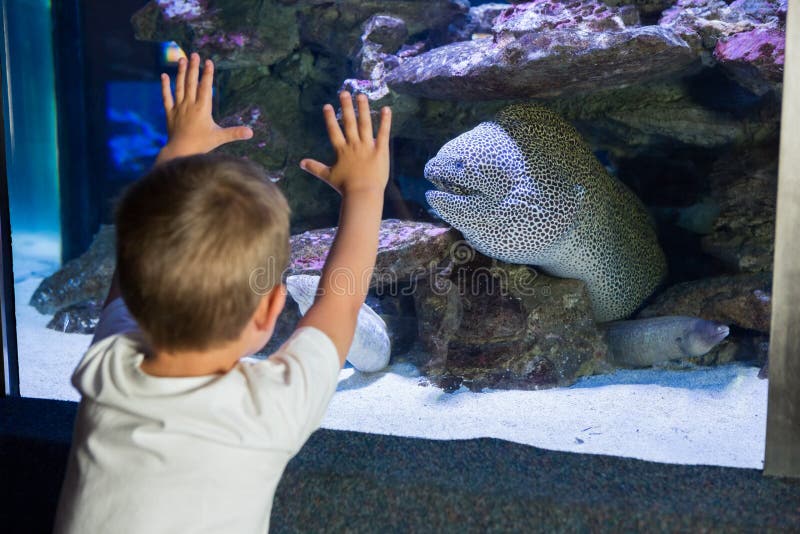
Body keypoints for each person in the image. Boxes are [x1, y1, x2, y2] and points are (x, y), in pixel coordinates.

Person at [53, 52, 392, 533]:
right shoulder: (270, 408)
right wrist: (366, 190)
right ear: (270, 309)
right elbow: (342, 302)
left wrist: (179, 151)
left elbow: (339, 300)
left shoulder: (108, 364)